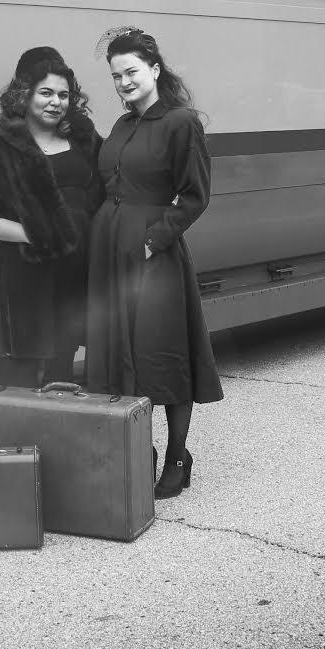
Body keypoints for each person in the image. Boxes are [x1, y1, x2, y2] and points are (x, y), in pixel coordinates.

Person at [86, 27, 222, 500]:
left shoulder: (181, 122)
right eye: (116, 75)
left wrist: (152, 240)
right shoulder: (122, 126)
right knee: (120, 353)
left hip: (153, 255)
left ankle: (177, 456)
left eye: (131, 72)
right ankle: (137, 452)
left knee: (163, 354)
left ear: (155, 69)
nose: (123, 82)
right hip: (110, 252)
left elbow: (195, 196)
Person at [0, 47, 103, 388]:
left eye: (63, 95)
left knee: (64, 370)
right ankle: (27, 440)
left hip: (77, 274)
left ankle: (61, 437)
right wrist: (37, 234)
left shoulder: (84, 141)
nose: (56, 102)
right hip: (25, 278)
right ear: (24, 95)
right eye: (46, 93)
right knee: (25, 374)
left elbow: (110, 189)